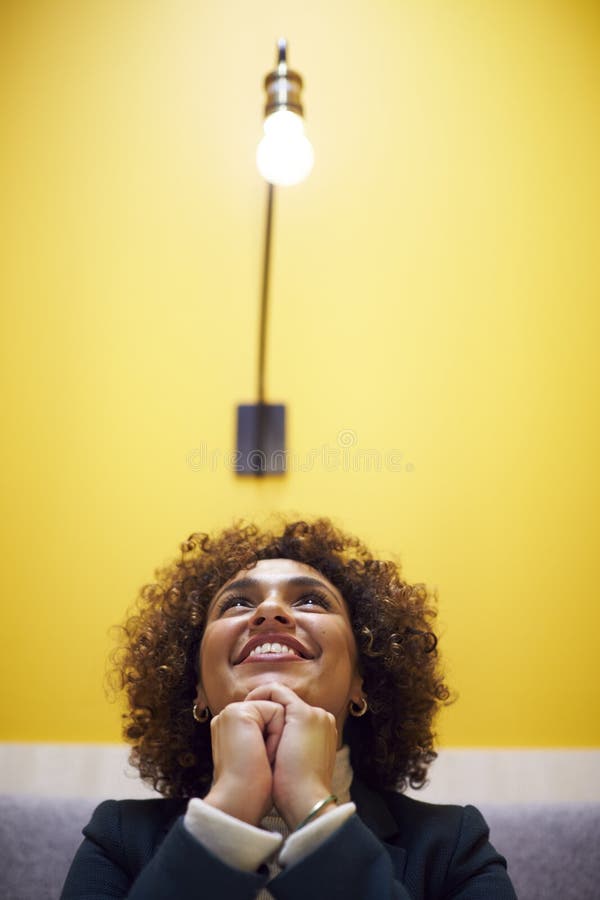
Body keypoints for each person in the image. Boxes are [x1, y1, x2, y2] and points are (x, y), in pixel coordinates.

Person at [61, 518, 517, 899]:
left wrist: (312, 806)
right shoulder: (117, 838)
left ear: (363, 681)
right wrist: (229, 809)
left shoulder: (454, 845)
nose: (271, 612)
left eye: (311, 600)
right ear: (196, 688)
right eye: (238, 602)